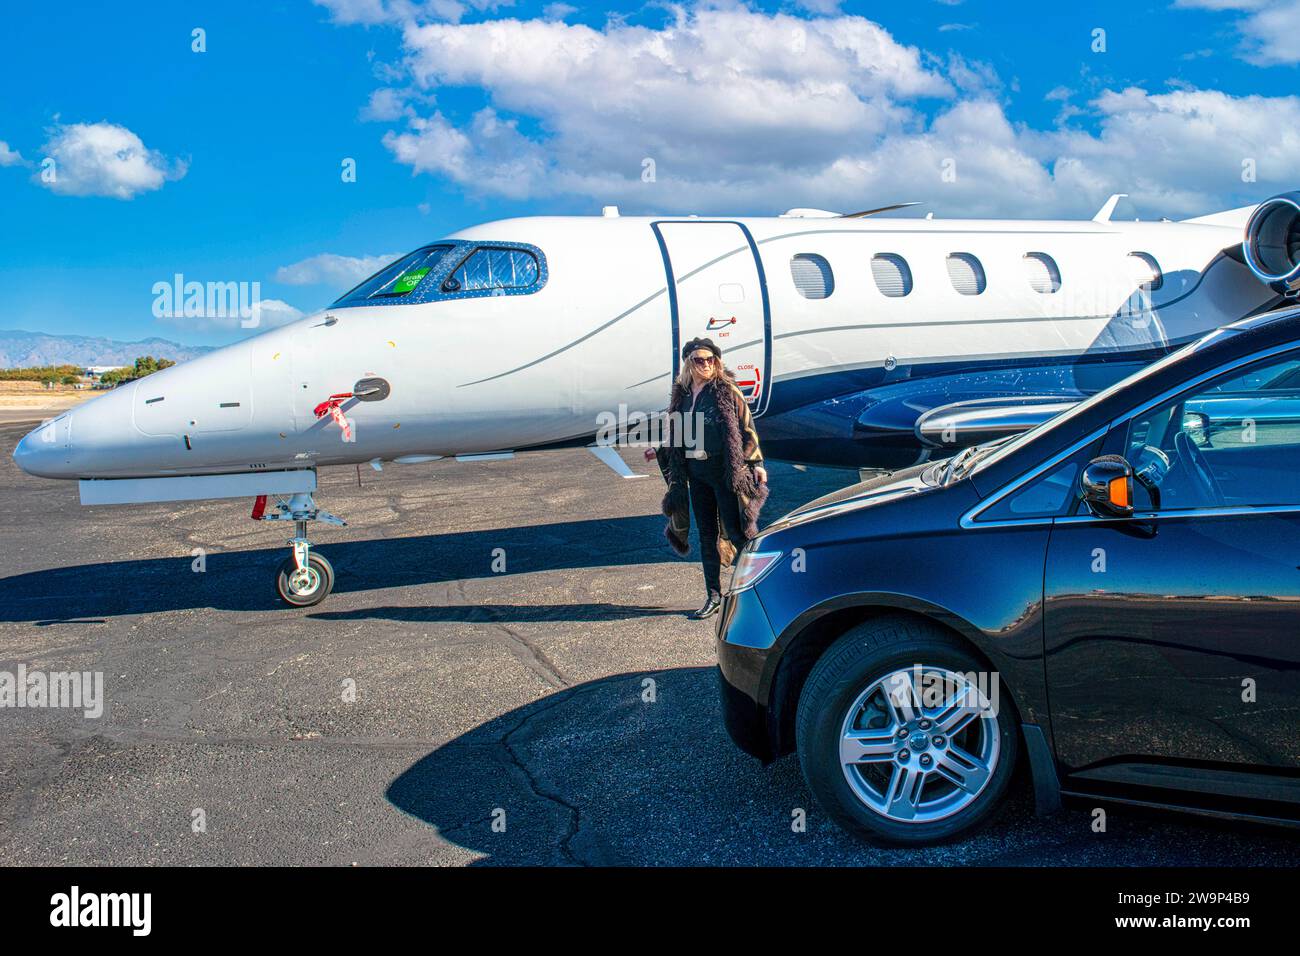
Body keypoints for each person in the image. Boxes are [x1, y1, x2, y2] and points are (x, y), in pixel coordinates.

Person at [658, 337, 768, 619]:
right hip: (696, 474)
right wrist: (661, 449)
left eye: (710, 360)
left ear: (716, 362)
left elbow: (746, 426)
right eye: (699, 360)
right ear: (689, 364)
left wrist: (755, 462)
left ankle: (755, 590)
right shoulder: (682, 394)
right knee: (706, 536)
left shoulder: (726, 390)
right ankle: (714, 596)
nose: (706, 365)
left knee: (736, 532)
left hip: (724, 471)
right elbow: (678, 430)